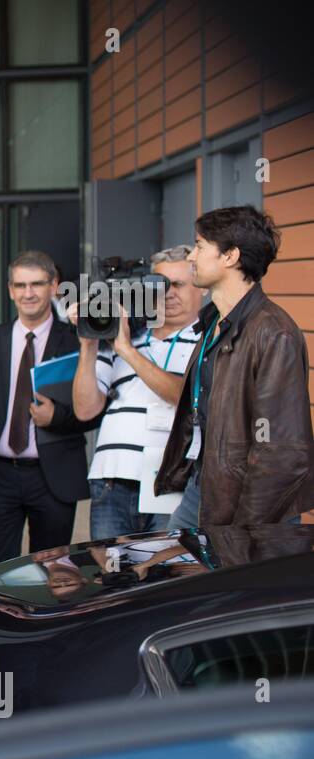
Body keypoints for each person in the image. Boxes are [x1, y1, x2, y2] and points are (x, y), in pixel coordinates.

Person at [156, 205, 314, 526]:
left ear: (230, 257)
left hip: (251, 504)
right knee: (172, 568)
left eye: (199, 246)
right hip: (205, 488)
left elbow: (281, 452)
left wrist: (247, 530)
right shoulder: (213, 321)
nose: (191, 257)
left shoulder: (274, 332)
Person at [0, 251, 96, 566]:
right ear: (10, 290)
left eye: (36, 284)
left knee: (52, 572)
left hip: (54, 476)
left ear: (54, 286)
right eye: (20, 285)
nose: (28, 293)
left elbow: (95, 408)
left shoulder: (77, 341)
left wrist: (57, 417)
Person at [71, 245, 203, 538]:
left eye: (178, 284)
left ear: (201, 288)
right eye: (158, 285)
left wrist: (127, 350)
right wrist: (88, 344)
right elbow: (85, 409)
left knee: (166, 575)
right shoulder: (120, 335)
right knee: (113, 576)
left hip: (172, 476)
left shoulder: (208, 339)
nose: (167, 293)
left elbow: (183, 398)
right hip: (112, 476)